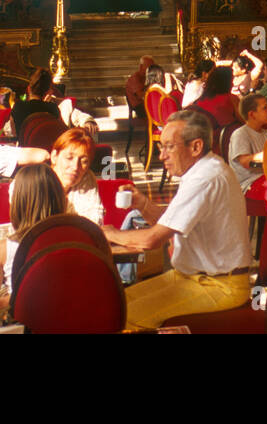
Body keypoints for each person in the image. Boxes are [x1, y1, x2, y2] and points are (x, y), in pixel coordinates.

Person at [103, 109, 254, 329]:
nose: (161, 155)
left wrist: (109, 233)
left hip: (219, 285)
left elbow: (152, 240)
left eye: (169, 147)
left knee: (123, 316)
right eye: (161, 146)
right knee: (115, 304)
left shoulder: (205, 178)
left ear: (196, 147)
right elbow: (170, 224)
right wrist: (143, 204)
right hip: (192, 277)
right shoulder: (202, 170)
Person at [0, 162, 69, 314]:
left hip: (26, 324)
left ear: (17, 203)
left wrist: (8, 300)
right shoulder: (76, 239)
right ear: (60, 197)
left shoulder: (4, 249)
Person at [50, 128, 104, 224]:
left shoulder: (86, 178)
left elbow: (93, 223)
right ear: (54, 157)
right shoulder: (36, 180)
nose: (75, 167)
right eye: (69, 158)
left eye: (84, 161)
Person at [227, 94, 267, 193]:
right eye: (265, 108)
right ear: (252, 114)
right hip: (248, 185)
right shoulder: (240, 134)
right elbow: (245, 162)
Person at [11, 68, 59, 136]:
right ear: (47, 91)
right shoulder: (53, 109)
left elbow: (14, 134)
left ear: (28, 88)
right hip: (46, 146)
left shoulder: (18, 107)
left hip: (25, 146)